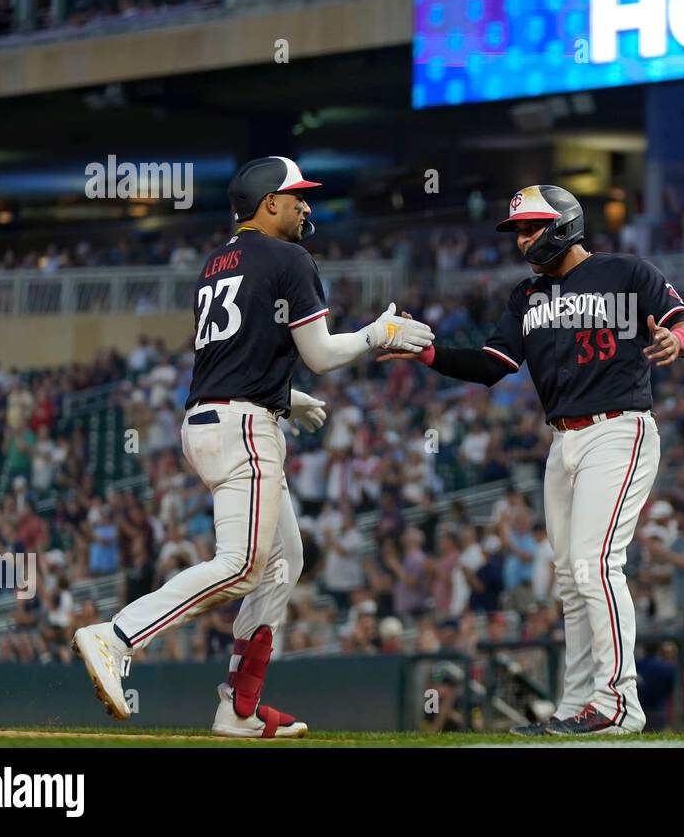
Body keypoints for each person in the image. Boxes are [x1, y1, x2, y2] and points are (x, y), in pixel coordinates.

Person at [71, 156, 434, 738]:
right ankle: (116, 636)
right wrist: (375, 335)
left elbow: (237, 355)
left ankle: (239, 708)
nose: (306, 206)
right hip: (242, 427)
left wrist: (286, 397)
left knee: (284, 563)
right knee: (241, 566)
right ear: (269, 203)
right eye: (297, 197)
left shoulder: (216, 262)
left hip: (216, 418)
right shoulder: (289, 256)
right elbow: (318, 353)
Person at [380, 185, 684, 735]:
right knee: (571, 579)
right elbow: (489, 364)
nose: (524, 238)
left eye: (531, 227)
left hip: (618, 428)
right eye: (519, 230)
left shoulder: (624, 270)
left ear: (564, 224)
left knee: (597, 564)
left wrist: (678, 339)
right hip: (563, 442)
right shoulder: (526, 296)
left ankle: (620, 703)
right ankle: (576, 705)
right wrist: (427, 352)